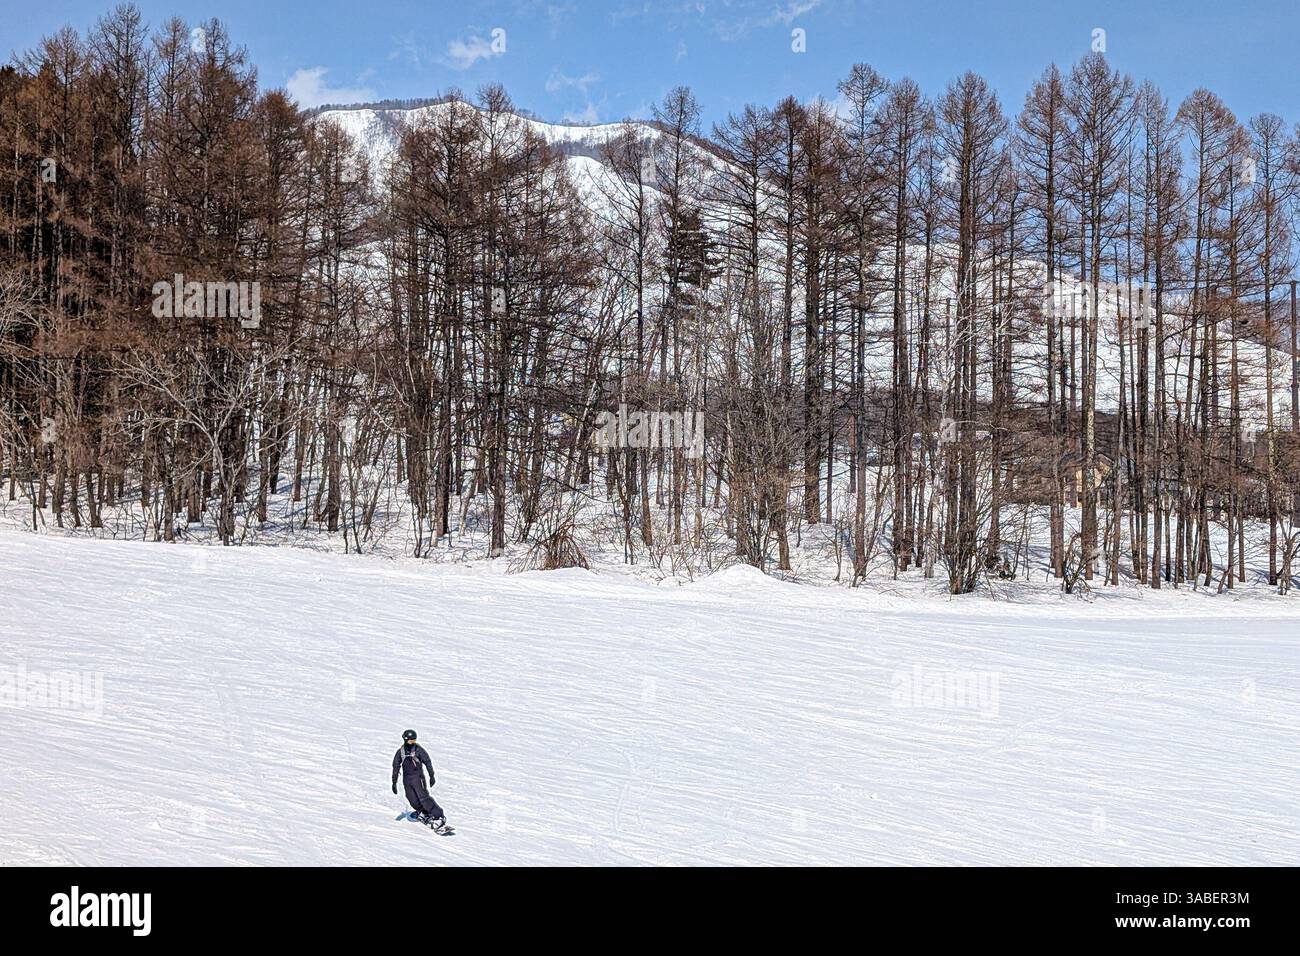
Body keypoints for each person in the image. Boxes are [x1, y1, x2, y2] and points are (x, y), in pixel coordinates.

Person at [392, 729, 445, 828]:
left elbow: (427, 762)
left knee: (424, 798)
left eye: (414, 740)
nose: (413, 742)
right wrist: (394, 783)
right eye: (411, 740)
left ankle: (439, 816)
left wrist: (431, 776)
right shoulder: (400, 752)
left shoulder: (418, 750)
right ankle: (423, 812)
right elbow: (395, 767)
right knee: (411, 798)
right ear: (405, 739)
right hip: (407, 780)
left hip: (418, 778)